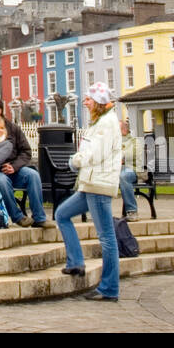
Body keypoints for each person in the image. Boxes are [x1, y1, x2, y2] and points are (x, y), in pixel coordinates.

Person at [55, 82, 123, 302]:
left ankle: (109, 289)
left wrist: (74, 161)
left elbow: (93, 153)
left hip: (99, 185)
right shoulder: (101, 122)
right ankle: (75, 262)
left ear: (99, 102)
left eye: (88, 98)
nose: (85, 101)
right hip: (90, 184)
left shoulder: (107, 124)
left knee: (107, 238)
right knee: (62, 214)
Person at [0, 98, 55, 229]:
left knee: (33, 174)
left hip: (15, 170)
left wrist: (13, 167)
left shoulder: (14, 129)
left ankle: (39, 218)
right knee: (2, 181)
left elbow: (26, 152)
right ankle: (18, 217)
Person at [119, 118, 144, 222]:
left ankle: (132, 211)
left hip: (132, 170)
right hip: (115, 170)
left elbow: (130, 155)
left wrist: (119, 154)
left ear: (124, 130)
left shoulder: (135, 141)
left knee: (123, 176)